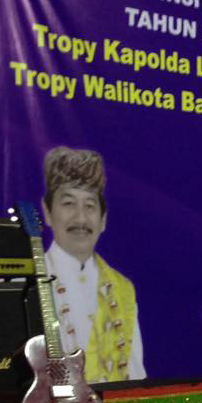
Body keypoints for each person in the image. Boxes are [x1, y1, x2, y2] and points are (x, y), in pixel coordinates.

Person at [41, 146, 144, 383]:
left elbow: (136, 374)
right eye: (68, 204)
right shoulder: (30, 281)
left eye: (89, 205)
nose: (80, 218)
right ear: (47, 212)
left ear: (103, 220)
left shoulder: (123, 288)